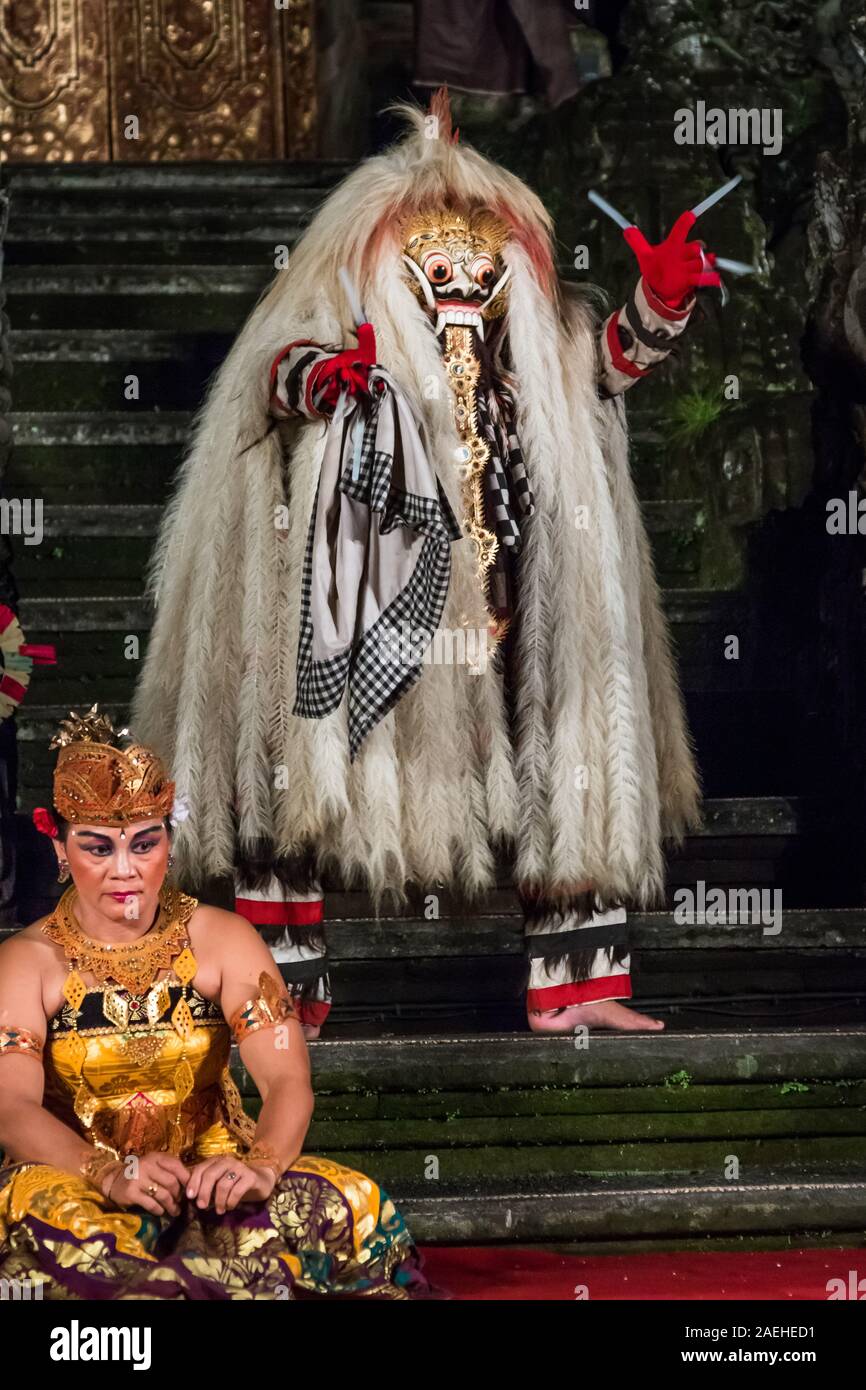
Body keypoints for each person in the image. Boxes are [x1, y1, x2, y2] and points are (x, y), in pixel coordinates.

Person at [133, 90, 718, 1038]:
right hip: (373, 576)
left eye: (478, 272)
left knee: (563, 750)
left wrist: (659, 306)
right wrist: (324, 380)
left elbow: (601, 369)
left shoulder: (533, 333)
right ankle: (278, 994)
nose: (459, 288)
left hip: (514, 569)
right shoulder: (332, 303)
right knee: (303, 762)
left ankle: (580, 984)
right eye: (435, 269)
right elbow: (271, 375)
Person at [0, 707, 432, 1299]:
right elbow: (11, 1109)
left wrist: (261, 1166)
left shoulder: (224, 938)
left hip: (213, 1174)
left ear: (170, 844)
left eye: (144, 844)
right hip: (78, 1177)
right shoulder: (26, 960)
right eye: (98, 848)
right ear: (59, 847)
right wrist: (108, 1172)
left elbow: (286, 1079)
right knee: (58, 1235)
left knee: (348, 1201)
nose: (124, 871)